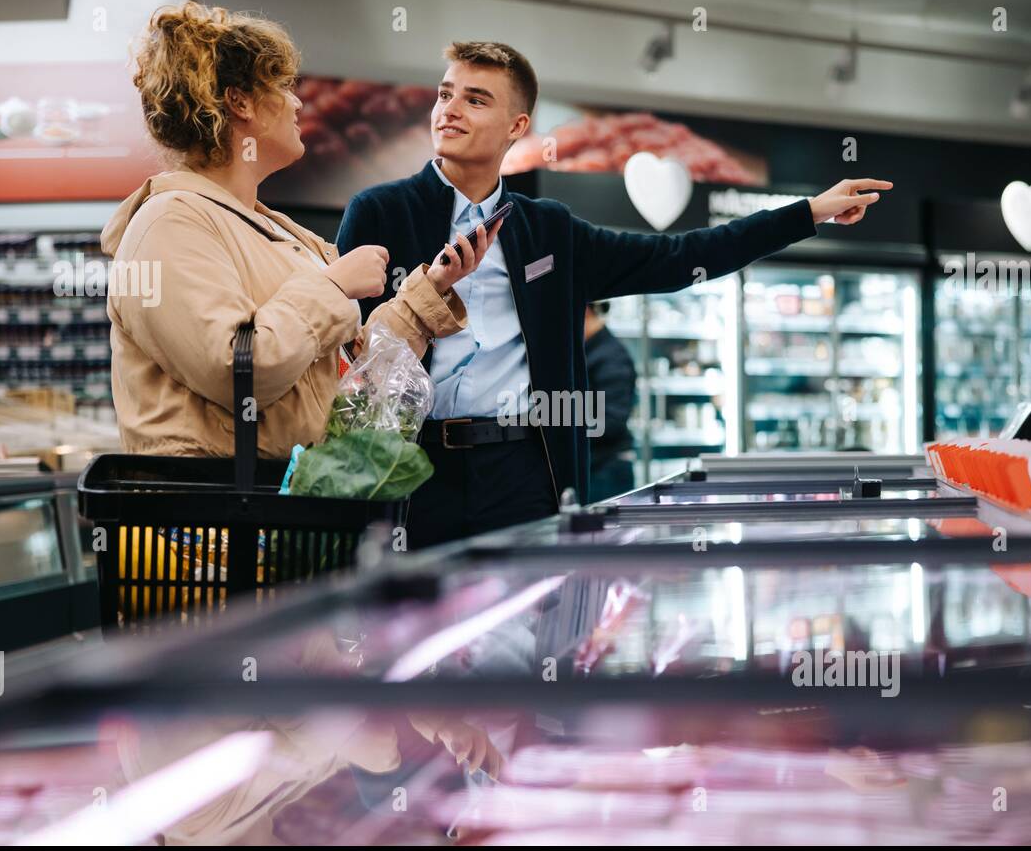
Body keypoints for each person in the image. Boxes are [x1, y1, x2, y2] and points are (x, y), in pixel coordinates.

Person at [338, 40, 891, 548]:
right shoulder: (379, 212)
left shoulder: (549, 229)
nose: (449, 109)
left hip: (528, 469)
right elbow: (347, 360)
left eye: (476, 99)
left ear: (517, 126)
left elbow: (678, 258)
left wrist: (807, 213)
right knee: (409, 639)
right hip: (411, 470)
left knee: (526, 638)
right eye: (444, 93)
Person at [103, 2, 499, 458]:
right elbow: (237, 372)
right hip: (213, 520)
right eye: (283, 85)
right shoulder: (169, 225)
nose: (298, 101)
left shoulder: (274, 229)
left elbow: (347, 380)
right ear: (240, 102)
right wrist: (332, 286)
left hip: (288, 513)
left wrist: (425, 296)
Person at [583, 302, 637, 502]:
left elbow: (609, 421)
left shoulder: (611, 356)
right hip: (596, 466)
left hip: (606, 471)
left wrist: (564, 430)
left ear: (585, 311)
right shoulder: (590, 350)